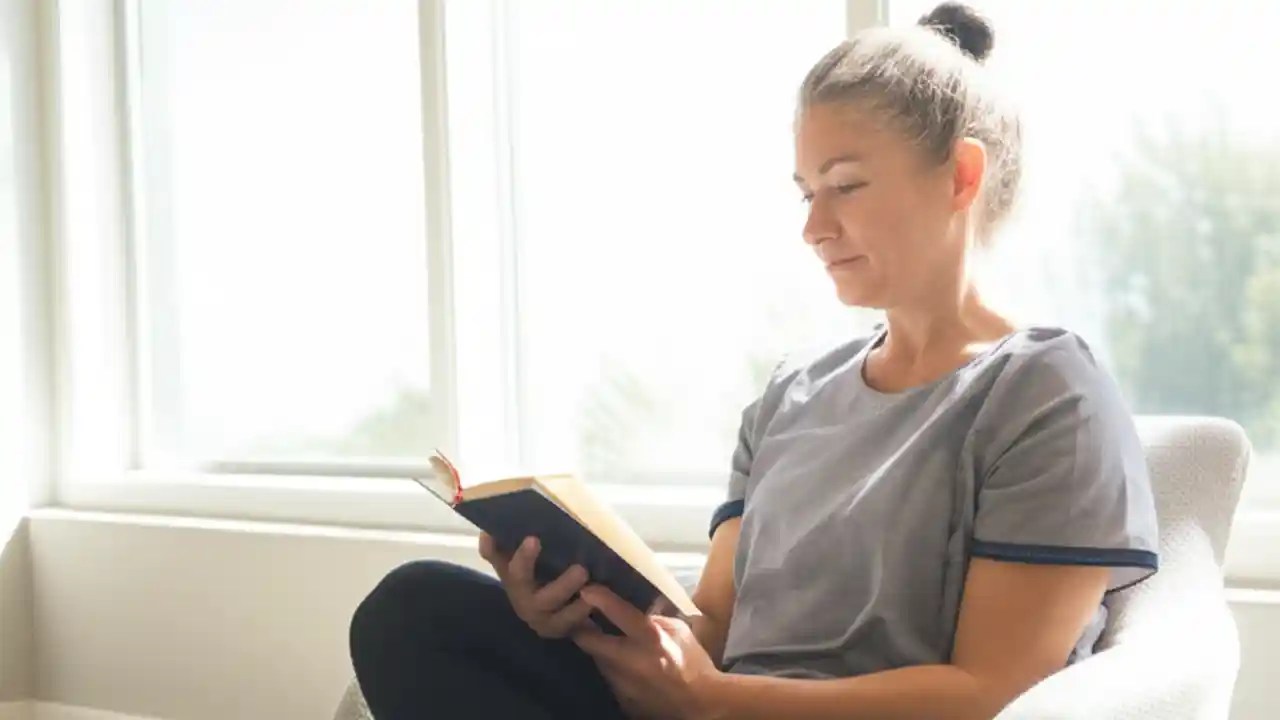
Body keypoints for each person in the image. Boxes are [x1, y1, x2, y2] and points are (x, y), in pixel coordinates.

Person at [348, 4, 1159, 718]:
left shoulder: (1044, 394)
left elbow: (997, 694)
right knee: (413, 611)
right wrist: (574, 608)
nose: (814, 228)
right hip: (714, 706)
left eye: (846, 186)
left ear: (961, 176)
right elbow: (718, 627)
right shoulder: (793, 392)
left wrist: (719, 702)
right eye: (807, 192)